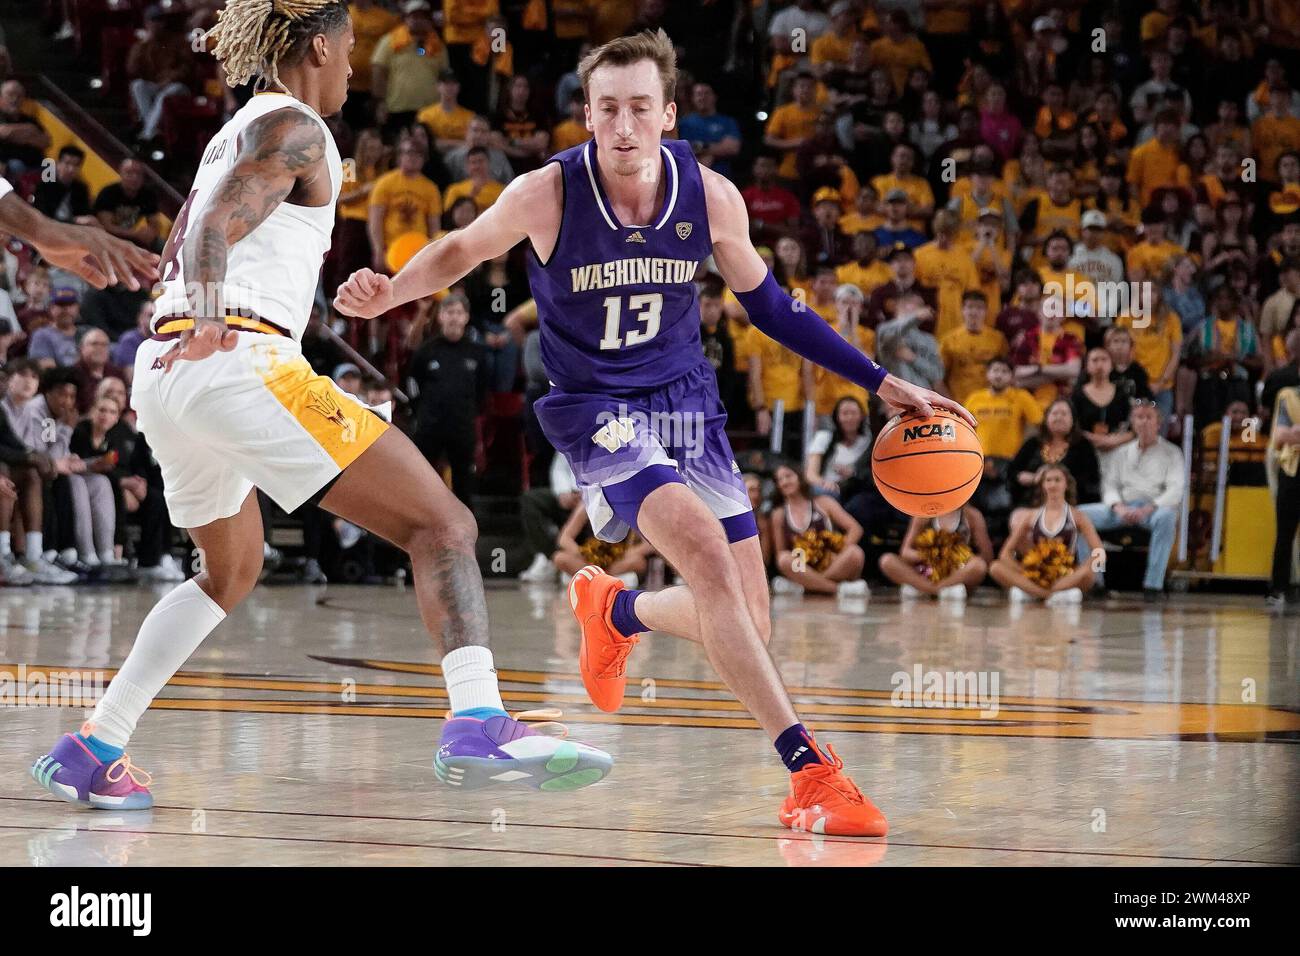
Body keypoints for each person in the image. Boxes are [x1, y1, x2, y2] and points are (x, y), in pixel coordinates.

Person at [336, 29, 976, 837]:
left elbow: (773, 308)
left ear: (669, 114)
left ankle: (619, 613)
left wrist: (883, 383)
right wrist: (391, 291)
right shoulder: (549, 193)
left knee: (747, 613)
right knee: (706, 553)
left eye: (641, 107)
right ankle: (811, 773)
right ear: (589, 116)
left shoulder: (710, 198)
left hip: (686, 401)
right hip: (596, 406)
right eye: (608, 109)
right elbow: (463, 249)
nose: (625, 126)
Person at [31, 0, 613, 814]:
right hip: (233, 355)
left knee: (228, 571)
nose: (352, 69)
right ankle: (478, 719)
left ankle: (94, 746)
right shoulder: (299, 127)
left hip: (168, 377)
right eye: (345, 52)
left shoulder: (236, 128)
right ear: (314, 45)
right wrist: (207, 316)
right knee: (443, 526)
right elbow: (210, 231)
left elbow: (207, 224)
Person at [1078, 402, 1186, 601]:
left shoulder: (1172, 453)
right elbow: (1109, 485)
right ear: (1133, 423)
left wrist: (1148, 509)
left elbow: (1176, 489)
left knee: (1168, 517)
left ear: (1158, 423)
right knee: (1080, 515)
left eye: (1148, 417)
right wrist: (1118, 507)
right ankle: (1094, 581)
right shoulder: (1121, 453)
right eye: (1139, 417)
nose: (1144, 422)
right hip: (1122, 507)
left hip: (1153, 508)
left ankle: (1153, 586)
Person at [990, 464, 1103, 604]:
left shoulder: (1078, 516)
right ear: (1042, 485)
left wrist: (1088, 567)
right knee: (995, 567)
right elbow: (1005, 554)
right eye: (1048, 480)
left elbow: (1099, 552)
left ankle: (1033, 592)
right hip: (1037, 575)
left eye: (1057, 480)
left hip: (1065, 575)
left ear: (1066, 485)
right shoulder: (1031, 516)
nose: (1052, 484)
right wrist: (1026, 572)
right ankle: (1048, 594)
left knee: (1089, 574)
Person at [769, 461, 866, 597]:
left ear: (799, 477)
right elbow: (781, 552)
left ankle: (810, 586)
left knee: (855, 553)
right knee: (783, 559)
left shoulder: (824, 502)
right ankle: (836, 589)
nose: (784, 482)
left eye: (788, 476)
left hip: (831, 563)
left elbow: (855, 528)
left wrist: (840, 552)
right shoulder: (778, 514)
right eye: (779, 480)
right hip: (803, 567)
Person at [879, 504, 994, 602]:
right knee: (887, 561)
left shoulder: (971, 515)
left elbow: (987, 556)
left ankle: (926, 589)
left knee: (979, 566)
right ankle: (935, 589)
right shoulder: (923, 514)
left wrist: (958, 556)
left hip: (956, 572)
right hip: (926, 569)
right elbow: (905, 552)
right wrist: (931, 554)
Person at [1009, 397, 1101, 510]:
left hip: (1072, 505)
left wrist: (1059, 481)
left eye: (1064, 414)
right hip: (1031, 504)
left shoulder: (1083, 445)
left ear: (1073, 420)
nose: (1059, 417)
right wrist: (1031, 478)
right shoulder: (1033, 443)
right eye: (1054, 413)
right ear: (1046, 418)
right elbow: (1012, 473)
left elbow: (1091, 480)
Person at [1267, 384, 1300, 607]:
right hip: (1293, 471)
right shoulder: (1289, 396)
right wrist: (1291, 433)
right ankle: (1278, 588)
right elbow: (1280, 435)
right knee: (1285, 534)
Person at [804, 395, 869, 497]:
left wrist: (853, 473)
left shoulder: (868, 441)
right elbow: (811, 475)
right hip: (826, 488)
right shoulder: (823, 437)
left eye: (853, 413)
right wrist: (825, 484)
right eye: (845, 413)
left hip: (855, 489)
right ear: (837, 417)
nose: (849, 418)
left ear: (861, 416)